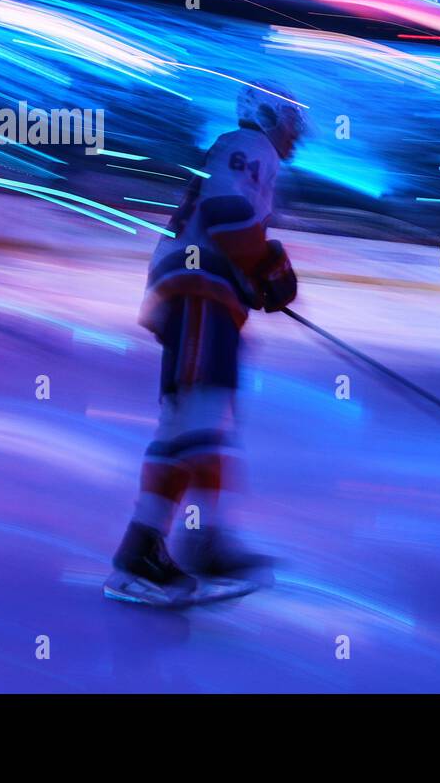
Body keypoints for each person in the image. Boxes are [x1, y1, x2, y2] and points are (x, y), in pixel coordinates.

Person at [103, 83, 302, 607]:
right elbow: (225, 209)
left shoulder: (242, 149)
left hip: (201, 294)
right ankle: (143, 551)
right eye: (292, 120)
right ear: (270, 116)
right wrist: (265, 265)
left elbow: (225, 217)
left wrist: (257, 273)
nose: (297, 135)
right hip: (200, 294)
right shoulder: (251, 145)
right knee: (194, 421)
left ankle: (201, 540)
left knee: (203, 420)